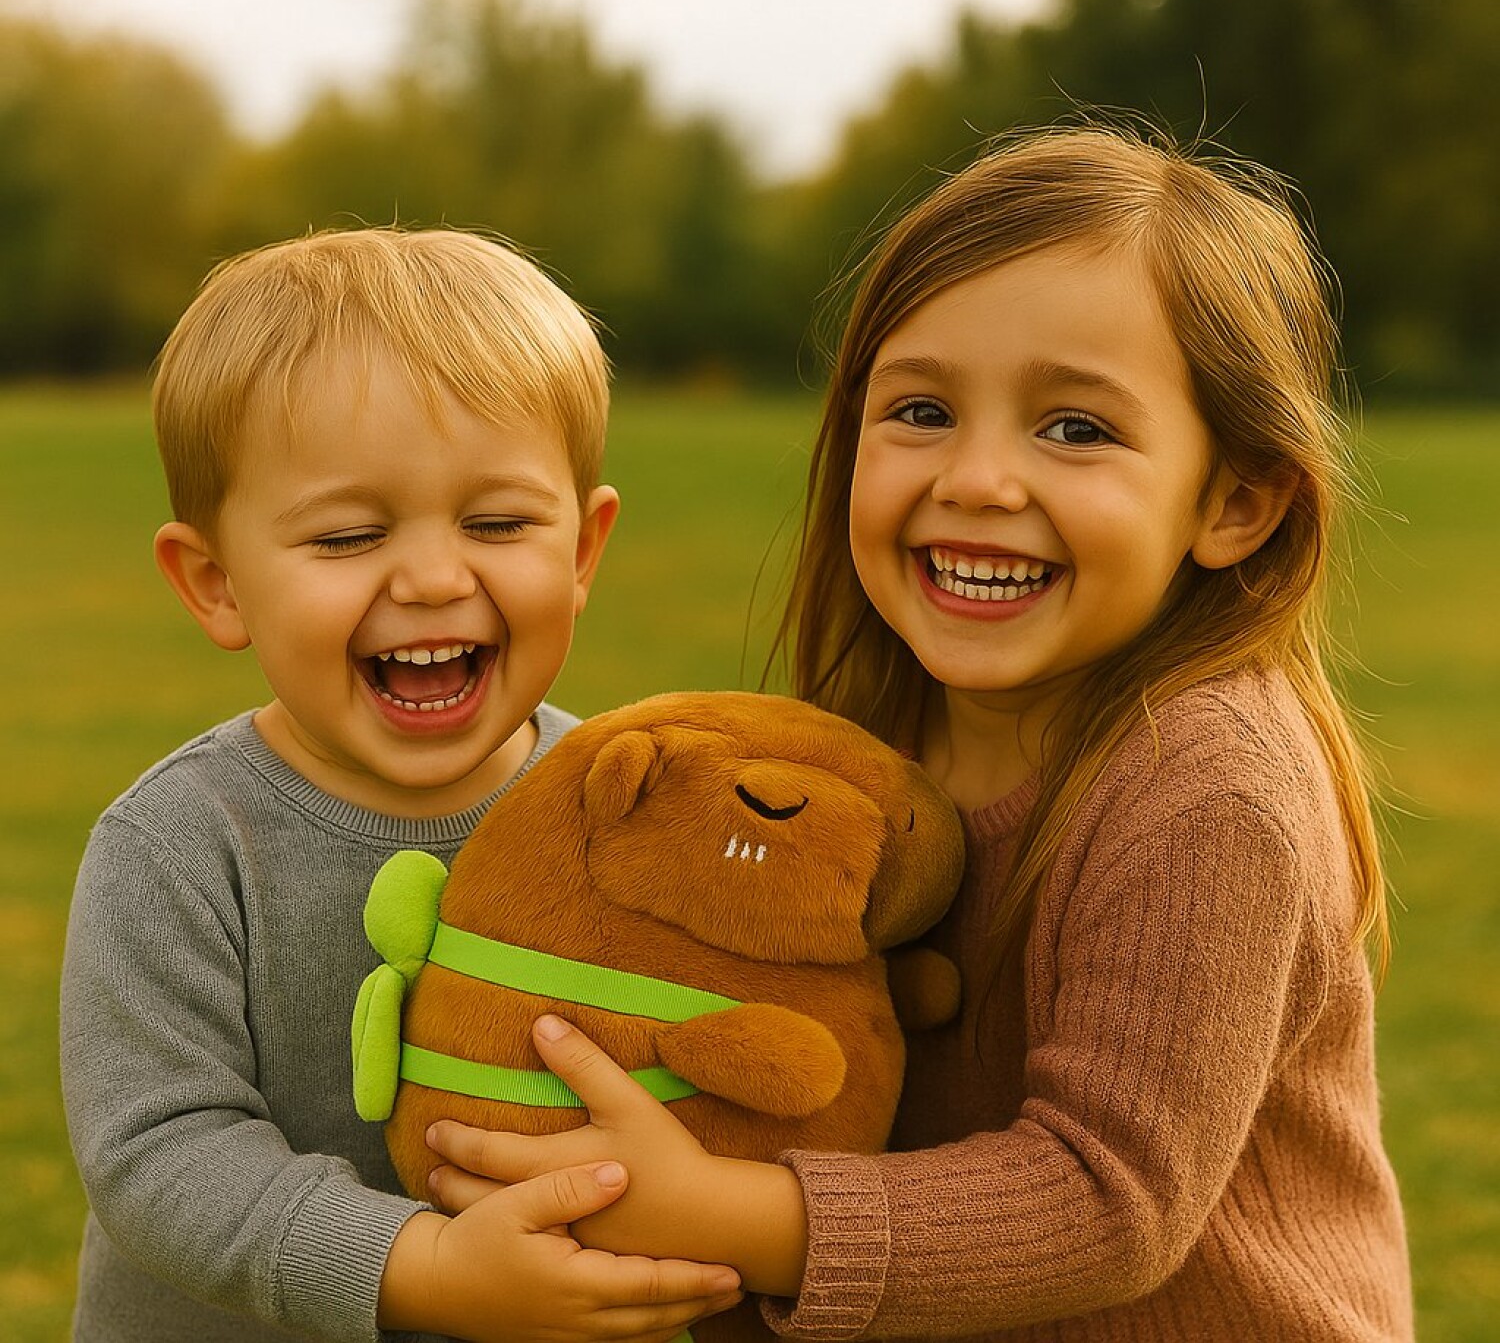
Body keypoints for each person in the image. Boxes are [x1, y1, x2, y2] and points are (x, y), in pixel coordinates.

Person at [423, 125, 1414, 1340]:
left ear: (1235, 501)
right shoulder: (866, 749)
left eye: (1076, 429)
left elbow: (1112, 1202)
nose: (980, 479)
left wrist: (718, 1211)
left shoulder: (1206, 789)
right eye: (924, 409)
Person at [59, 227, 743, 1342]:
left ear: (582, 553)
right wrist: (416, 1264)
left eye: (499, 523)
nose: (432, 577)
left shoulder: (627, 809)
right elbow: (158, 1155)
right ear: (217, 583)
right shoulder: (179, 844)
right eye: (347, 535)